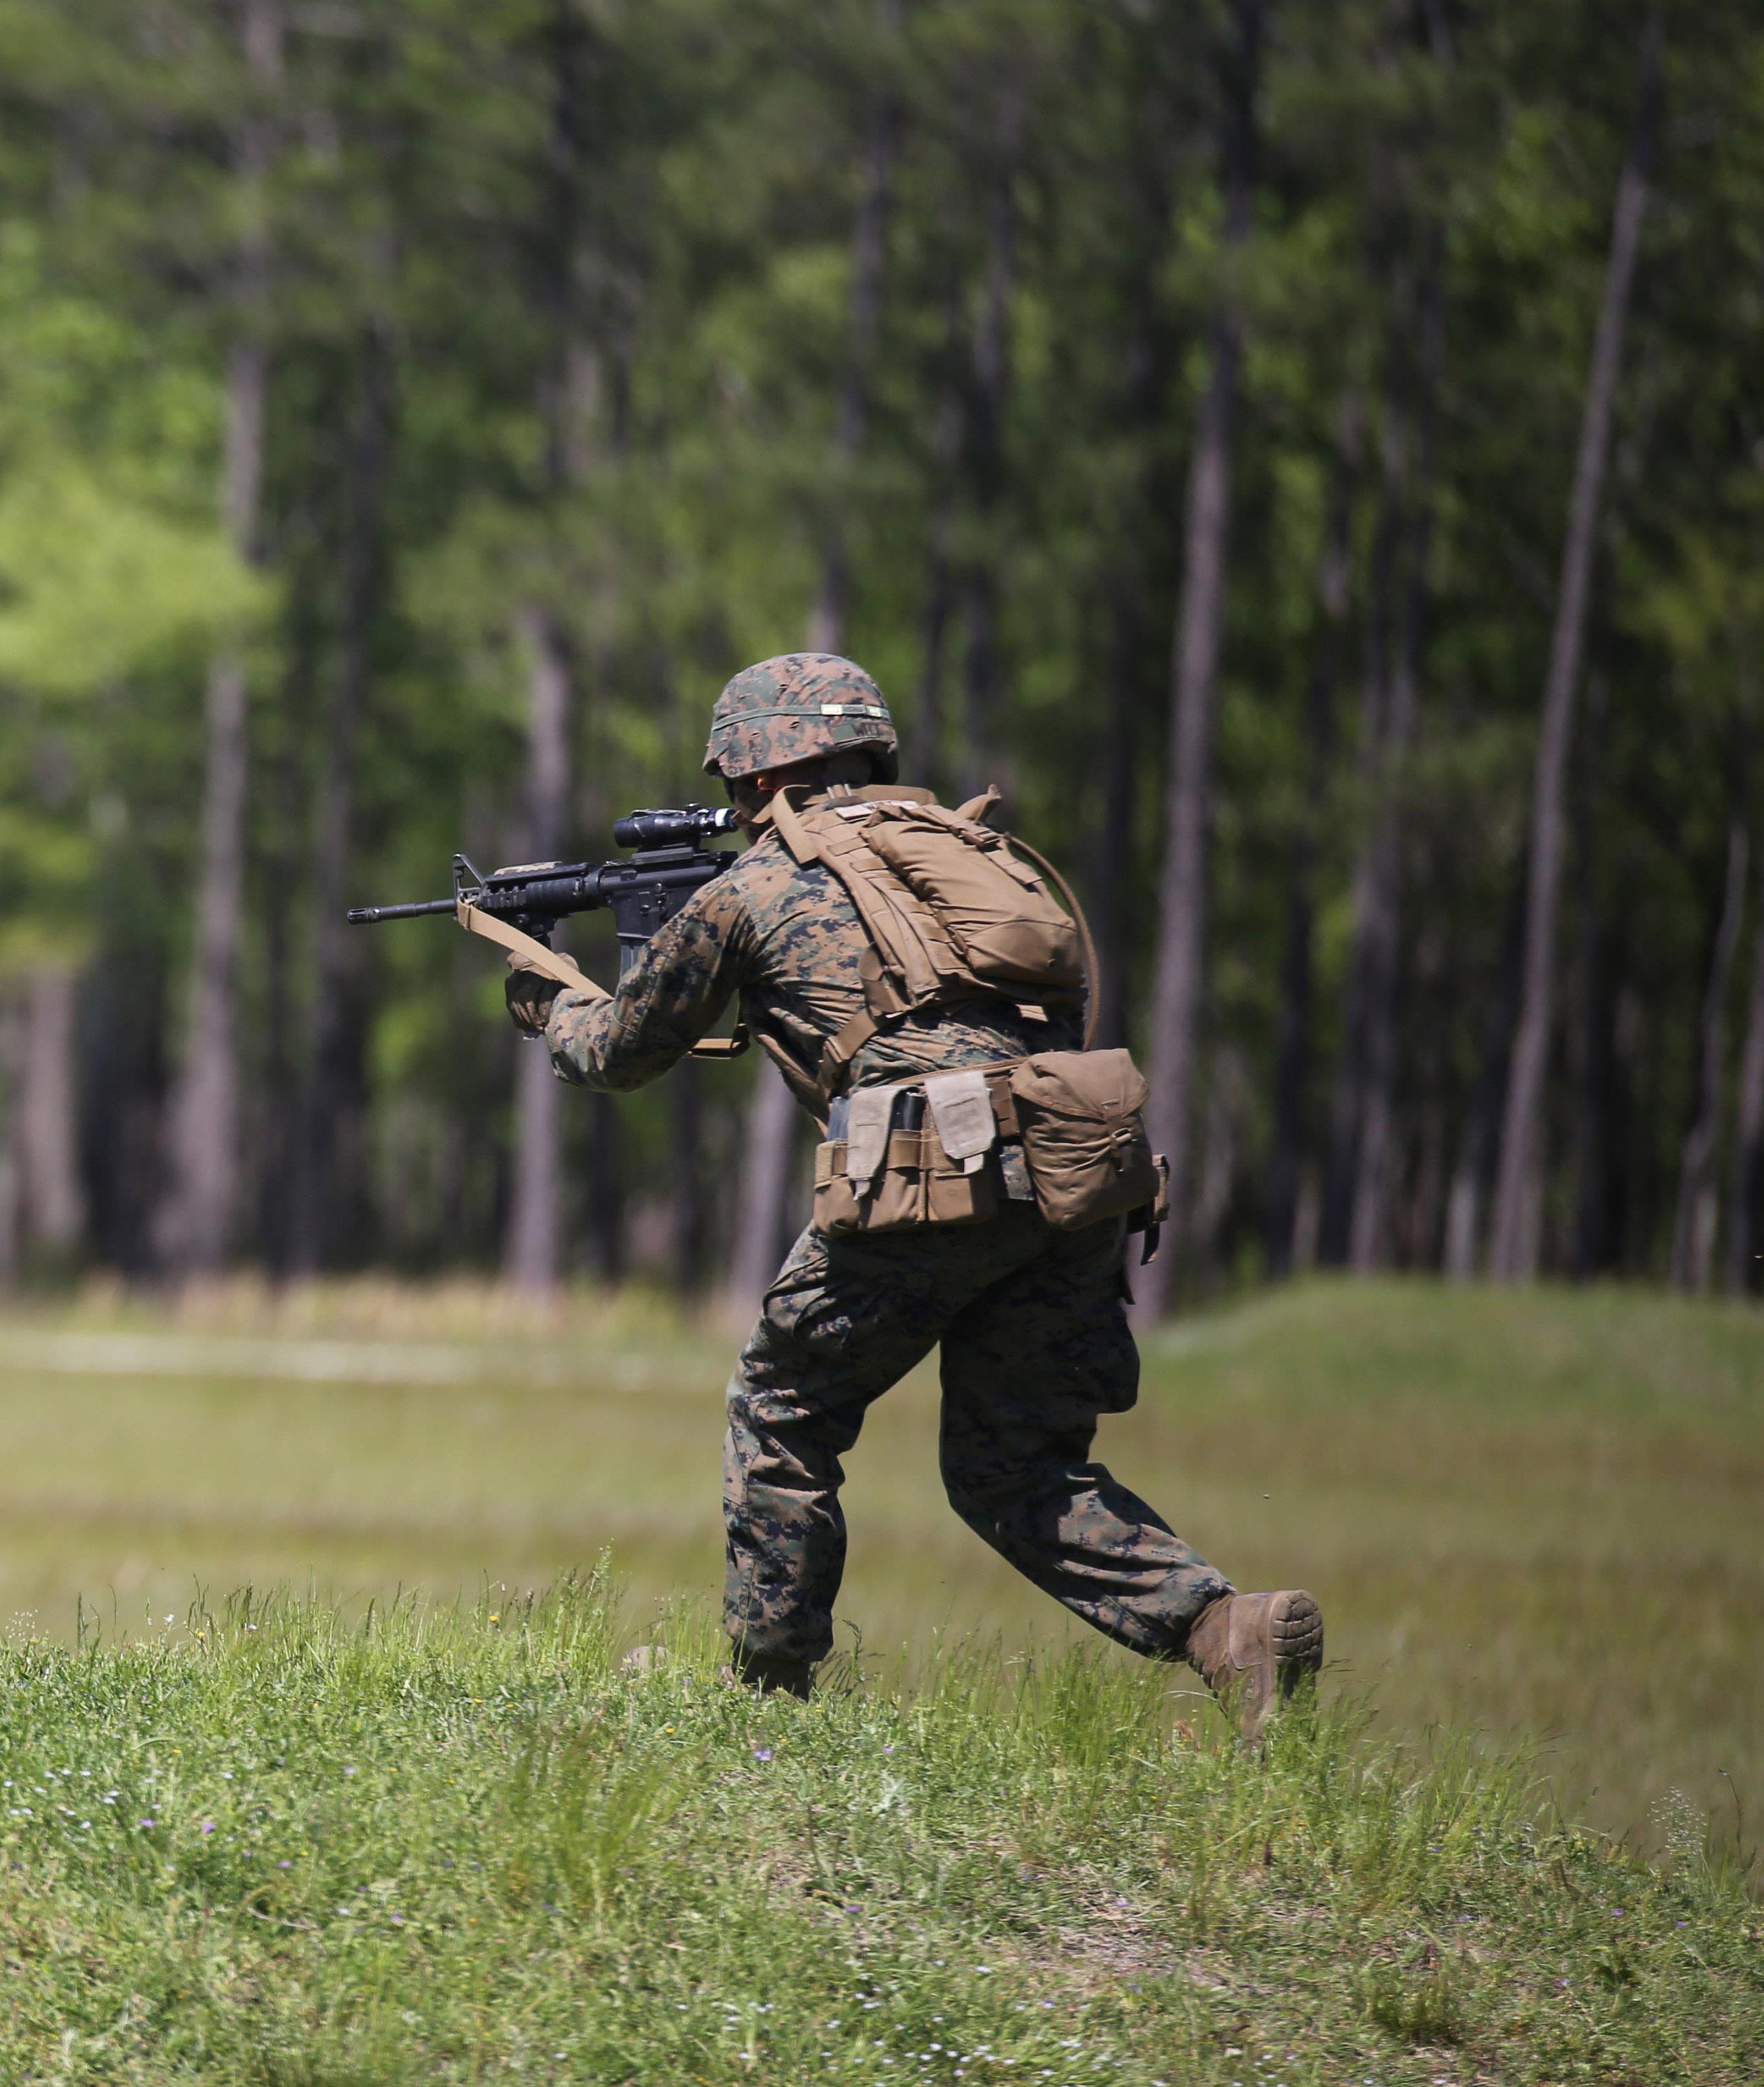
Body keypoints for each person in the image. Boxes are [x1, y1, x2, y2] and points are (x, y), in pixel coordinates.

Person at [516, 650, 1320, 1740]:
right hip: (1074, 1170)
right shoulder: (985, 855)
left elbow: (619, 1053)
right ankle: (1227, 1627)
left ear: (756, 776)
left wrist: (555, 1003)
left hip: (927, 1169)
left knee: (783, 1407)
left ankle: (769, 1701)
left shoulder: (752, 886)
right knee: (1017, 1465)